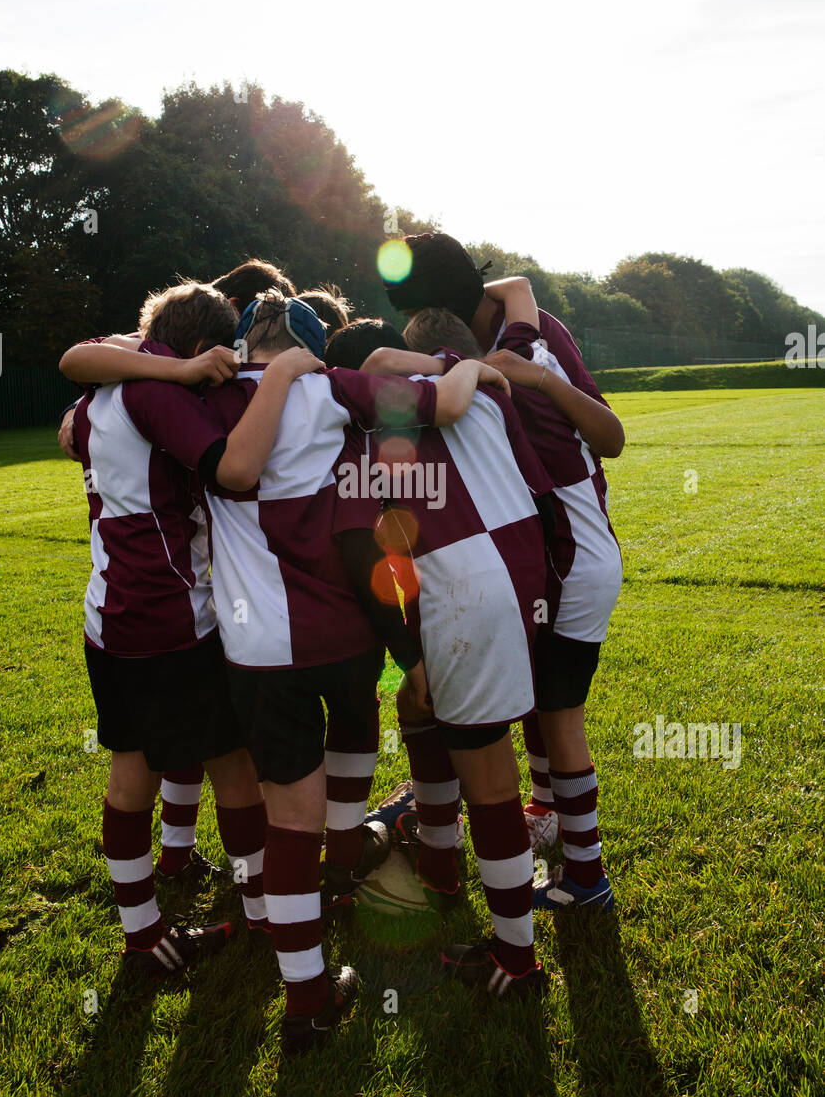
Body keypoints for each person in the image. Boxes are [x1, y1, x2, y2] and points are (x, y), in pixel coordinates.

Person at [196, 290, 510, 1048]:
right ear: (312, 344)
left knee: (289, 820)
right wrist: (475, 369)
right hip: (345, 638)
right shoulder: (334, 388)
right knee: (345, 779)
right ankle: (340, 883)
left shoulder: (201, 403)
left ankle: (305, 994)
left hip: (258, 650)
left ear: (242, 342)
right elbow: (440, 402)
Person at [59, 281, 319, 977]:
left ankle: (142, 935)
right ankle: (266, 912)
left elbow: (78, 384)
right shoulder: (160, 396)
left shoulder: (97, 398)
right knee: (233, 766)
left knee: (132, 766)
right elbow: (231, 470)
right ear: (205, 348)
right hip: (173, 617)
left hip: (109, 612)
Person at [376, 233, 625, 909]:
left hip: (568, 556)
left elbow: (380, 361)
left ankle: (584, 875)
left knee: (558, 715)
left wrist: (510, 372)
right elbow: (515, 287)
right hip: (582, 548)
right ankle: (552, 824)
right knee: (546, 705)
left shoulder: (489, 363)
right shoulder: (534, 329)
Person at [327, 316, 555, 998]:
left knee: (488, 778)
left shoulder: (359, 424)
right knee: (424, 712)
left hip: (467, 591)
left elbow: (360, 547)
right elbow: (538, 488)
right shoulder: (476, 386)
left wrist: (409, 653)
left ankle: (515, 960)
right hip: (527, 573)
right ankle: (441, 865)